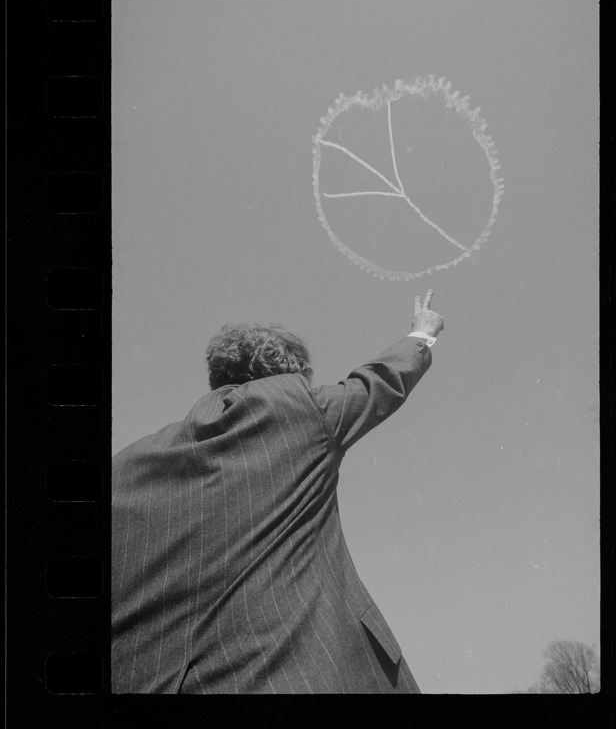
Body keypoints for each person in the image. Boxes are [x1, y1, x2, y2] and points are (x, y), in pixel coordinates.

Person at [112, 290, 444, 694]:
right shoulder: (298, 410)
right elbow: (380, 382)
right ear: (293, 371)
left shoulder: (127, 467)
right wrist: (423, 334)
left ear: (220, 374)